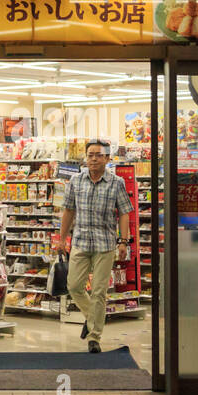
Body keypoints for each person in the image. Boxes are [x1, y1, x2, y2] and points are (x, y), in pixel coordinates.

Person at [56, 139, 134, 354]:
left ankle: (94, 337)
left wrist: (124, 241)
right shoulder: (75, 181)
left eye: (98, 155)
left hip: (105, 244)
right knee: (73, 287)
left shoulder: (116, 182)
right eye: (90, 155)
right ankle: (93, 318)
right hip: (80, 242)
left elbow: (124, 213)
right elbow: (69, 211)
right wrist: (62, 239)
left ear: (107, 158)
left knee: (99, 291)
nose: (93, 159)